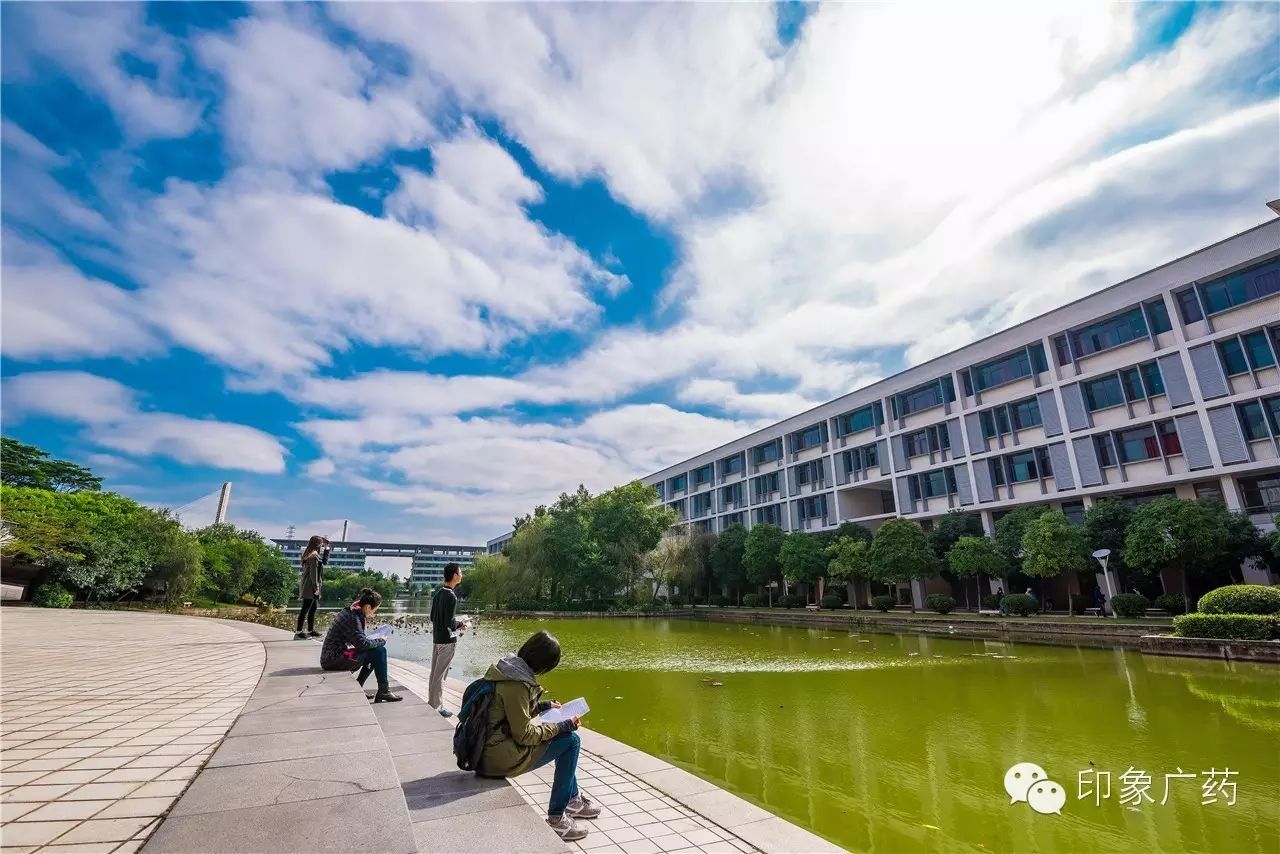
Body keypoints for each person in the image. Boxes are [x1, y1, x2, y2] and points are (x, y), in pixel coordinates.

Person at [479, 630, 599, 842]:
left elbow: (510, 712)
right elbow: (524, 735)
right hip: (497, 758)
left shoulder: (509, 669)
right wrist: (562, 726)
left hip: (489, 750)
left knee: (567, 739)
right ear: (544, 664)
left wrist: (543, 706)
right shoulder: (516, 684)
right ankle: (557, 819)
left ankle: (572, 800)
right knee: (571, 741)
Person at [320, 588, 401, 703]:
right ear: (368, 607)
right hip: (332, 659)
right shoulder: (353, 618)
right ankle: (383, 691)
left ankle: (364, 687)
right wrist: (382, 640)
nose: (374, 613)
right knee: (379, 651)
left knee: (374, 650)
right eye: (375, 610)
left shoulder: (352, 611)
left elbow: (360, 642)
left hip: (331, 656)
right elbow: (362, 645)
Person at [428, 563, 468, 717]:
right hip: (447, 642)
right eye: (460, 572)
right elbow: (449, 623)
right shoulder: (451, 596)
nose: (462, 574)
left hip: (437, 640)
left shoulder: (438, 593)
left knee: (434, 674)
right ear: (455, 575)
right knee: (440, 675)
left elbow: (433, 617)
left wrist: (452, 622)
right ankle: (436, 707)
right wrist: (461, 624)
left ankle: (433, 703)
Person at [294, 536, 329, 639]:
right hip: (310, 587)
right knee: (305, 609)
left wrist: (327, 548)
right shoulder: (313, 557)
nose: (322, 545)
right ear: (317, 544)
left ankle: (310, 630)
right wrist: (316, 588)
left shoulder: (313, 555)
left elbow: (324, 562)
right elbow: (313, 574)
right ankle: (299, 632)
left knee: (313, 608)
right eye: (321, 544)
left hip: (311, 586)